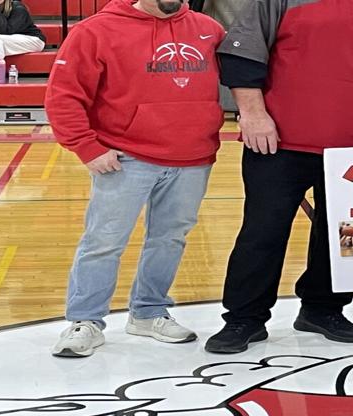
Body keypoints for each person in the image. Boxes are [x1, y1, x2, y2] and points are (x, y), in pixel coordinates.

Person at [45, 0, 226, 358]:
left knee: (170, 238)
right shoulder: (95, 30)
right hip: (125, 158)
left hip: (193, 156)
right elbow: (63, 94)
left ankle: (149, 311)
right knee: (104, 241)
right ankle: (85, 321)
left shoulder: (209, 29)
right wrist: (87, 146)